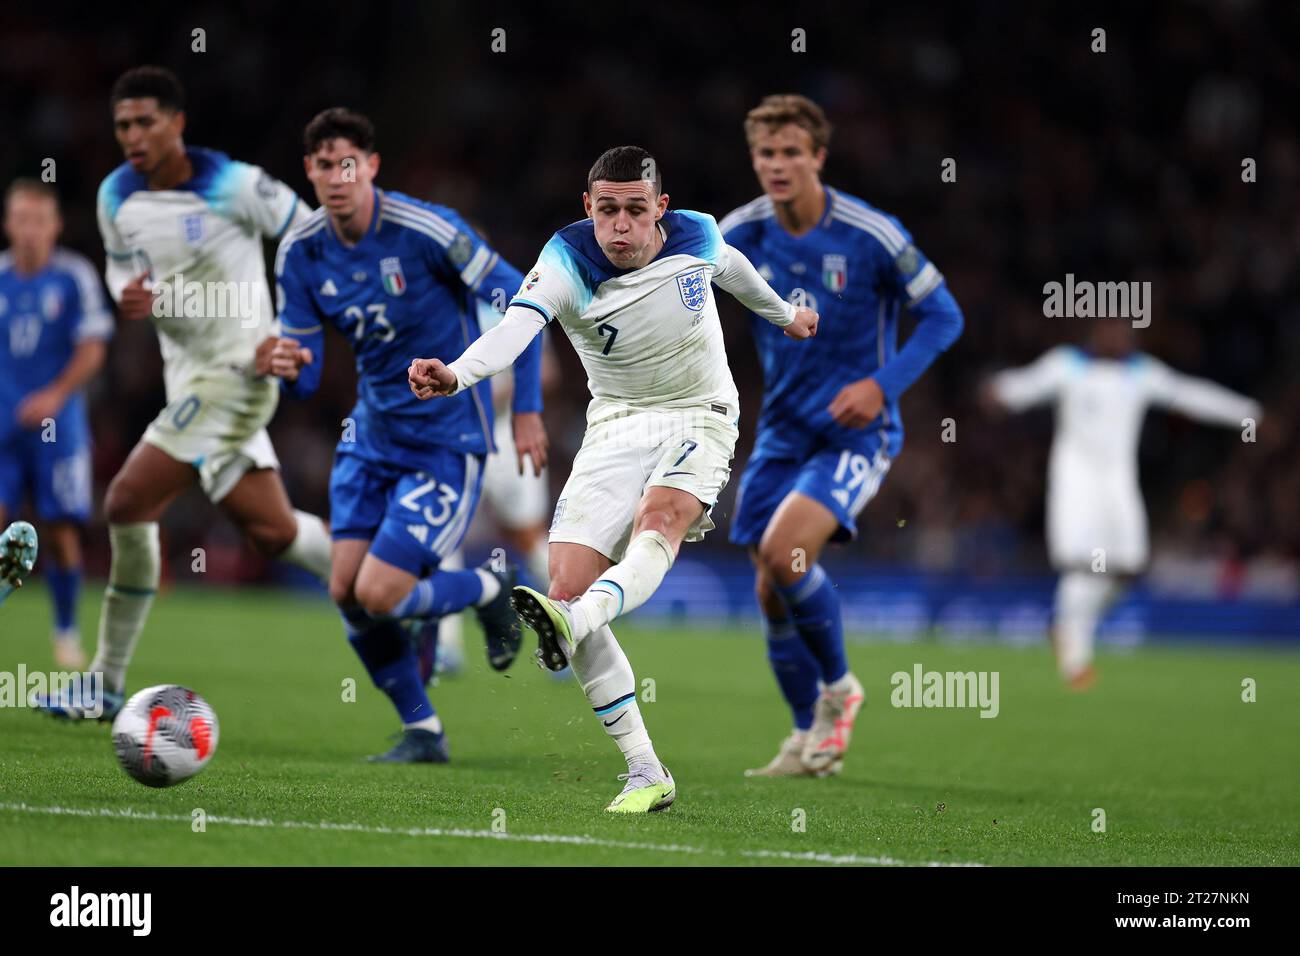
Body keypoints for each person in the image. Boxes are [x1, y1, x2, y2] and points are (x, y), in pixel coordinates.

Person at [409, 145, 818, 811]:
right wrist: (456, 374)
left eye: (634, 210)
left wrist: (784, 314)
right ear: (588, 209)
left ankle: (571, 621)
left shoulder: (698, 234)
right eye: (607, 211)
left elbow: (736, 270)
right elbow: (515, 332)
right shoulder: (564, 261)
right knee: (564, 584)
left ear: (661, 207)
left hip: (701, 413)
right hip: (616, 425)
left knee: (659, 522)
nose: (620, 226)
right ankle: (646, 771)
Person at [36, 66, 332, 721]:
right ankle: (390, 592)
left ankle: (104, 683)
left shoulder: (236, 183)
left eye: (146, 122)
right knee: (273, 530)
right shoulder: (116, 194)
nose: (133, 136)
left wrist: (287, 333)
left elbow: (316, 242)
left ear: (178, 123)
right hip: (189, 376)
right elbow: (119, 267)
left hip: (241, 375)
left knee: (125, 499)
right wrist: (125, 293)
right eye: (122, 125)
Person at [264, 108, 546, 762]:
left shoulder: (426, 230)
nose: (336, 177)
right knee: (345, 592)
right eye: (323, 165)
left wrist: (526, 407)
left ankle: (487, 590)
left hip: (446, 440)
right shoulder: (302, 254)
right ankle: (423, 731)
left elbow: (521, 298)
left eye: (348, 164)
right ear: (308, 172)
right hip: (371, 436)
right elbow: (303, 379)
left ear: (370, 167)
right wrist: (287, 369)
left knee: (379, 592)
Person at [720, 95, 964, 776]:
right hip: (779, 432)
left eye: (791, 152)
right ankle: (806, 738)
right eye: (766, 154)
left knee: (785, 552)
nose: (777, 165)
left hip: (857, 434)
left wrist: (879, 385)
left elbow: (945, 317)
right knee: (770, 587)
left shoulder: (871, 233)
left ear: (818, 157)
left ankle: (841, 689)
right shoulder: (740, 231)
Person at [983, 320, 1261, 688]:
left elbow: (1192, 395)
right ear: (1095, 333)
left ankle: (1066, 624)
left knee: (1128, 566)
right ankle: (1075, 660)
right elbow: (1024, 385)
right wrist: (999, 390)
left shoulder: (1140, 372)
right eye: (1110, 330)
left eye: (1124, 332)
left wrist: (1248, 413)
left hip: (1118, 486)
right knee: (1082, 564)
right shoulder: (1067, 365)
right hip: (1075, 485)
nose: (1118, 338)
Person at [0, 180, 113, 666]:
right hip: (3, 425)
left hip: (58, 427)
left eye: (39, 220)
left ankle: (66, 633)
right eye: (21, 219)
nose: (29, 231)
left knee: (62, 528)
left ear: (56, 226)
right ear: (8, 224)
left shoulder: (74, 277)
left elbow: (92, 349)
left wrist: (54, 396)